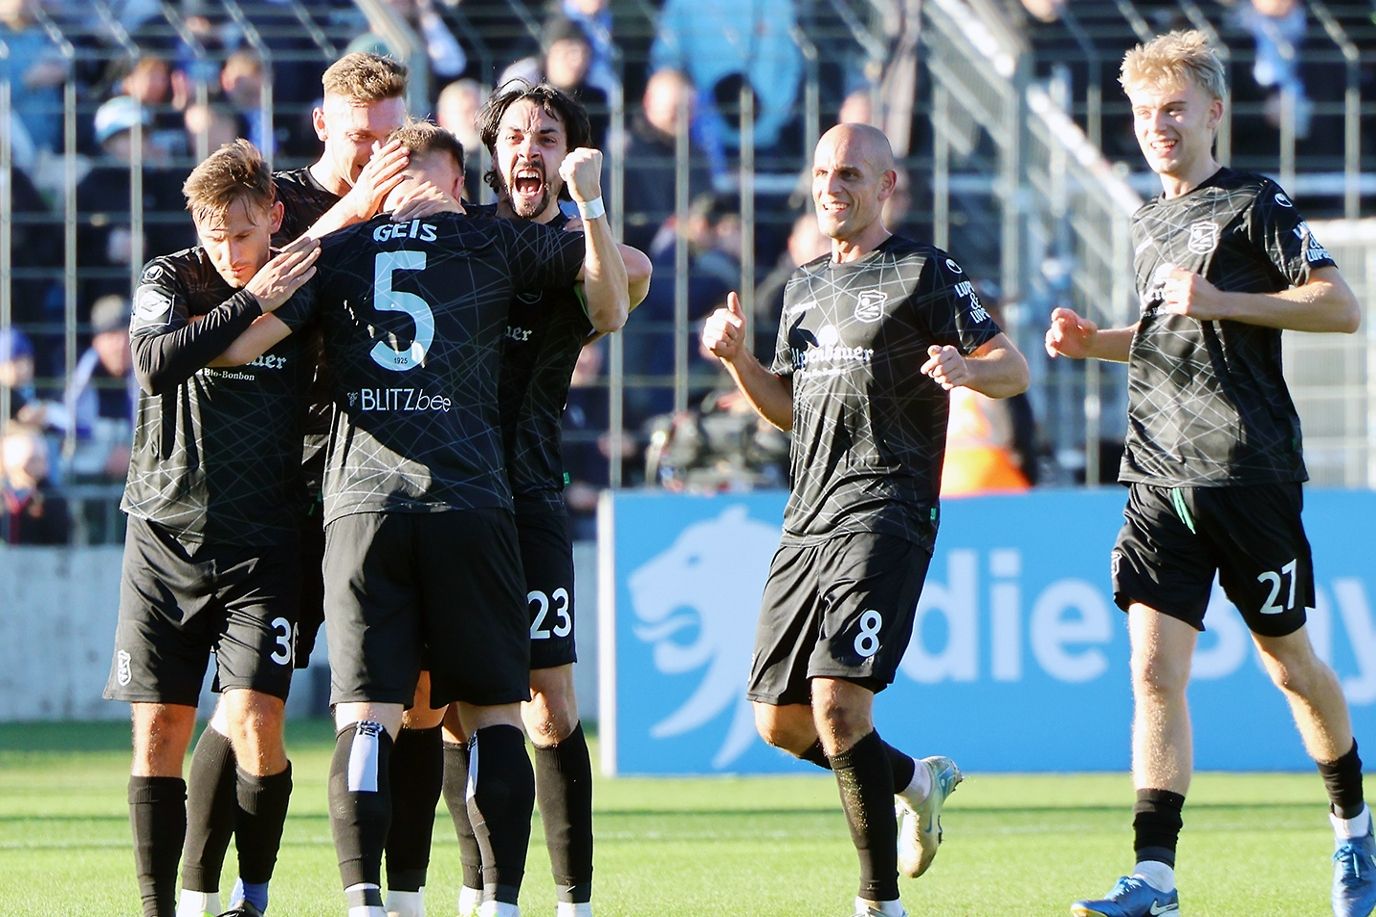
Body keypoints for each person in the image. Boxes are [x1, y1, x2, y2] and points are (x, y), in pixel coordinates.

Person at [209, 119, 648, 917]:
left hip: (361, 506)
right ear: (453, 184)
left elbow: (240, 344)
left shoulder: (334, 252)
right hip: (471, 501)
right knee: (491, 715)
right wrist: (587, 202)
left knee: (369, 717)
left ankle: (364, 899)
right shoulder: (489, 242)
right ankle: (505, 903)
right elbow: (611, 290)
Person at [1044, 30, 1370, 917]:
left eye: (1175, 109)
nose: (1159, 127)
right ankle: (1154, 876)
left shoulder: (1253, 201)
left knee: (1289, 664)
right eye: (1146, 113)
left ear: (1214, 113)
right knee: (1152, 669)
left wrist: (1224, 297)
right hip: (1156, 476)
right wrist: (1092, 344)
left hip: (1249, 470)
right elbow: (1167, 337)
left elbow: (1339, 306)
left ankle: (1352, 829)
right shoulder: (1147, 220)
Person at [700, 122, 1029, 917]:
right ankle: (917, 779)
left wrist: (967, 368)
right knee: (777, 723)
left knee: (839, 704)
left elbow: (1013, 367)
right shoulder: (801, 287)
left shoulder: (924, 270)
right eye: (821, 172)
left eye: (849, 172)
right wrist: (740, 361)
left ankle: (878, 903)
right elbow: (788, 410)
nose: (831, 186)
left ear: (885, 185)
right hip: (805, 518)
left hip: (886, 507)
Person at [175, 51, 414, 917]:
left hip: (387, 481)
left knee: (407, 698)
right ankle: (211, 893)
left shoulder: (417, 198)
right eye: (361, 140)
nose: (377, 158)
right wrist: (357, 205)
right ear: (322, 127)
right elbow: (205, 320)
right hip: (282, 483)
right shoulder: (272, 208)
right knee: (253, 710)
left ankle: (413, 889)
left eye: (391, 139)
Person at [406, 80, 647, 917]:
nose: (529, 149)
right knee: (450, 709)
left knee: (550, 704)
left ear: (570, 153)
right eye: (515, 135)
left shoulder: (600, 247)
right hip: (451, 498)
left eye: (547, 136)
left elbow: (613, 305)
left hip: (533, 494)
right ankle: (479, 888)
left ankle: (572, 900)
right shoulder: (464, 242)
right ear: (492, 151)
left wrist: (594, 205)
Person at [101, 141, 322, 917]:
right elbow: (158, 362)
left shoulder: (299, 280)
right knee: (159, 727)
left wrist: (261, 295)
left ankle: (251, 897)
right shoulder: (167, 277)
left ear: (274, 216)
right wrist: (246, 294)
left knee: (259, 722)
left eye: (242, 230)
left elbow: (223, 348)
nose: (229, 249)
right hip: (162, 535)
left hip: (264, 541)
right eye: (213, 232)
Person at [0, 422, 70, 545]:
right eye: (34, 459)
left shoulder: (51, 497)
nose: (42, 464)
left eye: (42, 458)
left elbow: (60, 536)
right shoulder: (4, 493)